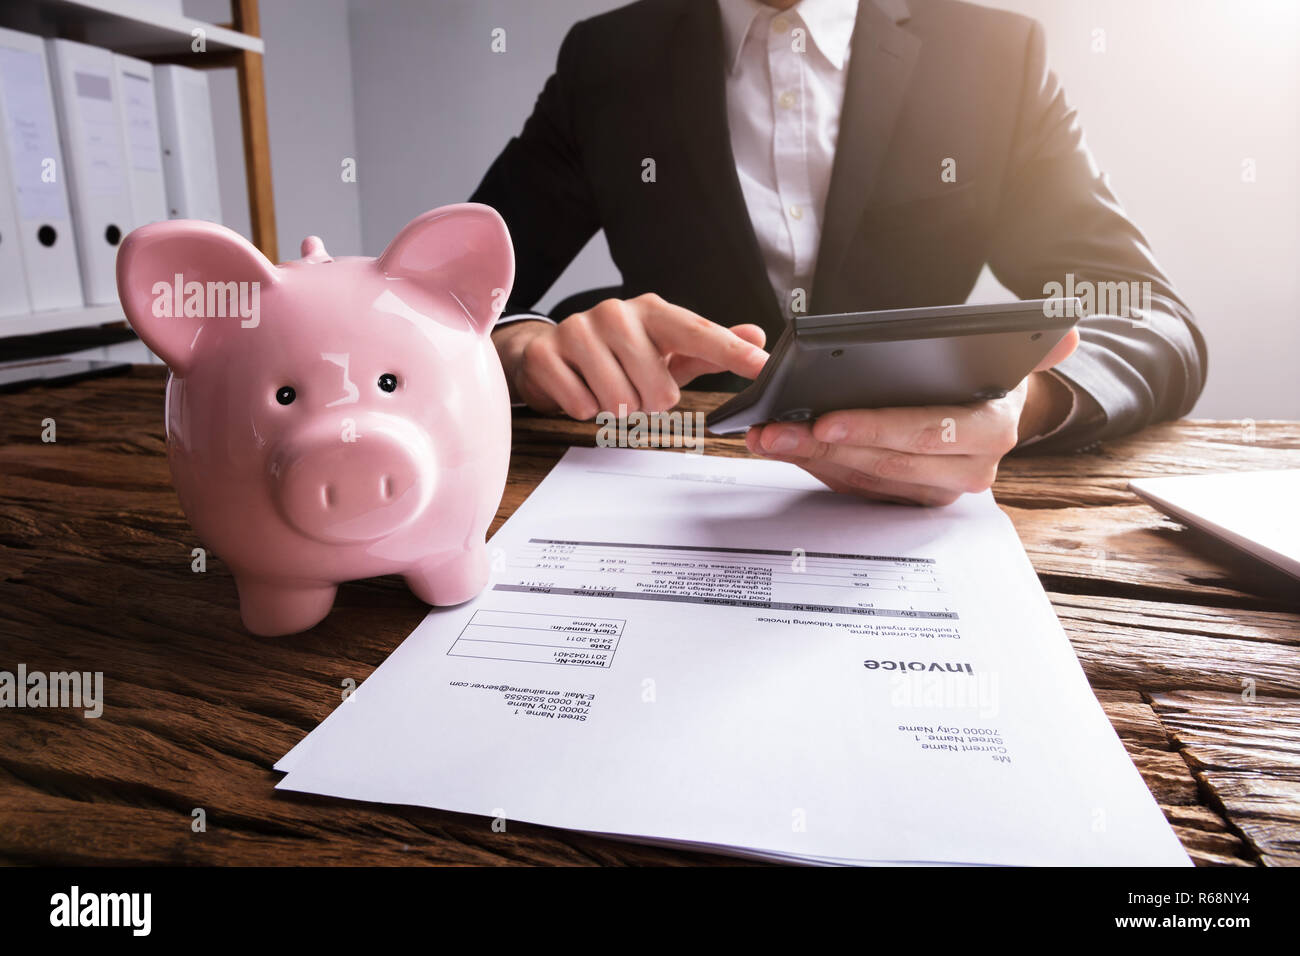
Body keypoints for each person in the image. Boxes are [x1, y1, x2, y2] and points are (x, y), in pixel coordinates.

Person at [471, 0, 1206, 506]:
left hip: (939, 529)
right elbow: (441, 300)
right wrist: (518, 345)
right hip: (665, 491)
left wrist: (1027, 399)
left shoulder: (995, 57)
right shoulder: (605, 59)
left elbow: (1147, 313)